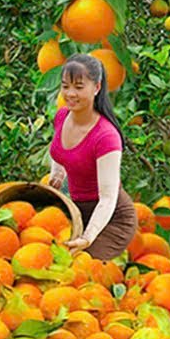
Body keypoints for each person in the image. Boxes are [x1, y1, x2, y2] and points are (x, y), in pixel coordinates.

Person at [47, 53, 138, 260]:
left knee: (81, 268)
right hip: (77, 210)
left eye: (79, 87)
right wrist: (58, 174)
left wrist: (88, 237)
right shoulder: (62, 116)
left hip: (112, 218)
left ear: (96, 88)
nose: (70, 93)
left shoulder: (106, 137)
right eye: (65, 86)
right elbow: (59, 151)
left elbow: (107, 198)